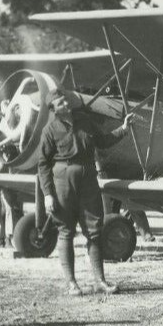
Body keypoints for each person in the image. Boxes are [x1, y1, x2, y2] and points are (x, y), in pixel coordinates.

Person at [36, 87, 132, 296]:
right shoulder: (50, 130)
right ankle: (71, 283)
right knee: (66, 231)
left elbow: (103, 141)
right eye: (60, 102)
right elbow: (43, 165)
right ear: (53, 109)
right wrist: (48, 195)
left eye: (65, 99)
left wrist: (123, 129)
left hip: (88, 177)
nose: (66, 103)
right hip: (63, 181)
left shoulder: (85, 121)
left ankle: (100, 281)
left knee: (94, 230)